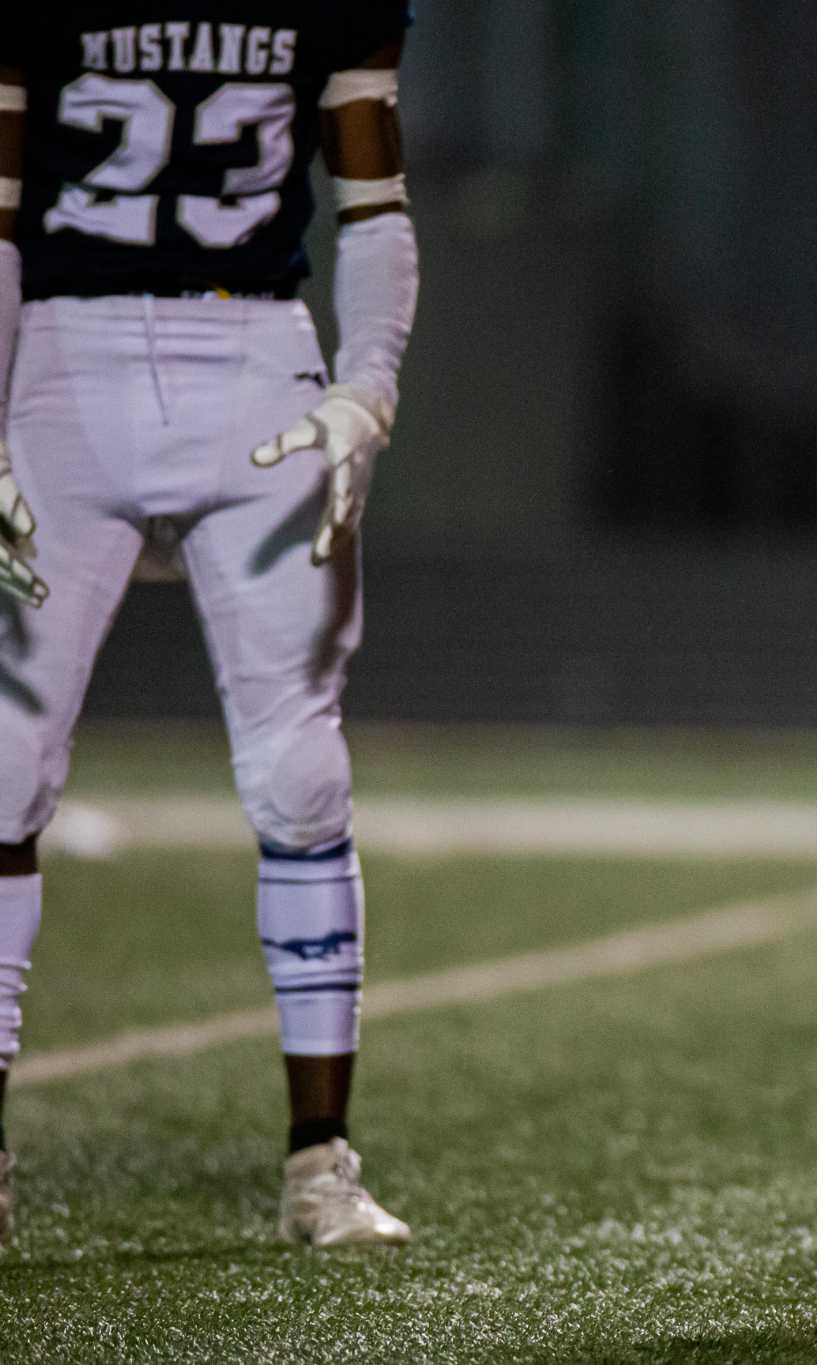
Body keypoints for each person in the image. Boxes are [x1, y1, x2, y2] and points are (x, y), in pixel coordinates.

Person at [0, 4, 420, 1249]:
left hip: (253, 353)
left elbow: (374, 202)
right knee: (4, 767)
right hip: (60, 355)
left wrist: (369, 387)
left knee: (300, 770)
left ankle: (320, 1165)